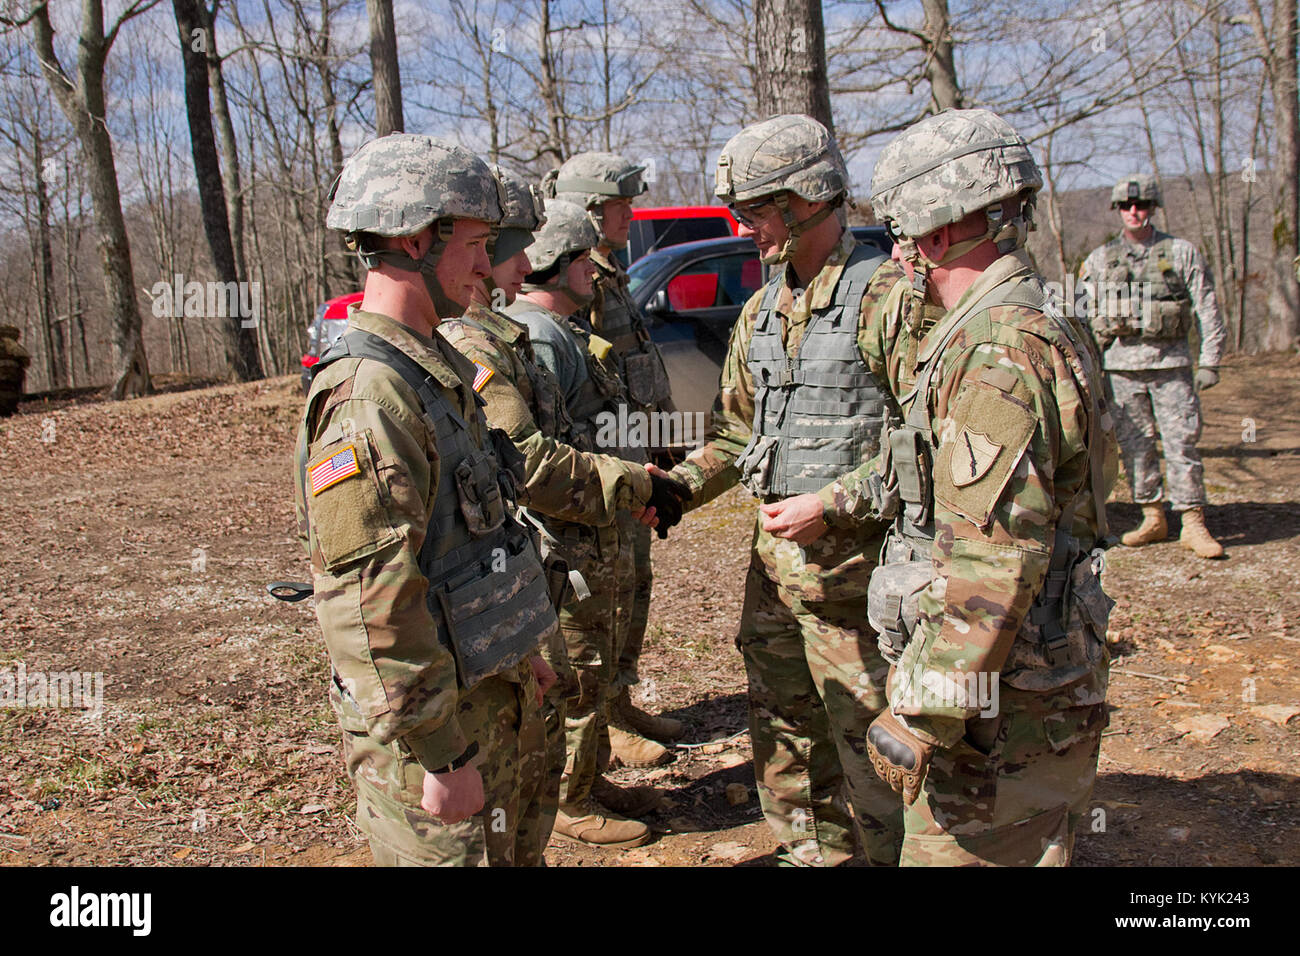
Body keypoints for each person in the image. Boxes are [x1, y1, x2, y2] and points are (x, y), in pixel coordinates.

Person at [802, 107, 1114, 866]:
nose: (898, 256)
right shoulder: (1035, 321)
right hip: (1029, 689)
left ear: (939, 234)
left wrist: (923, 715)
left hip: (1004, 712)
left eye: (902, 235)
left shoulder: (998, 353)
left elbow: (993, 564)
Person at [294, 133, 560, 866]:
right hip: (433, 741)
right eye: (477, 243)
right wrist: (441, 757)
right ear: (417, 239)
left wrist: (519, 649)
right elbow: (369, 603)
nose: (488, 263)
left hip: (482, 696)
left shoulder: (435, 364)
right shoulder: (368, 400)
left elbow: (475, 533)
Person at [663, 114, 903, 867]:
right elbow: (738, 433)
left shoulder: (886, 299)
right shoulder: (763, 310)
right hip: (774, 579)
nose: (748, 228)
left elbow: (925, 448)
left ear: (811, 198)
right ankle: (812, 853)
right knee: (785, 737)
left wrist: (832, 505)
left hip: (856, 588)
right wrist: (673, 488)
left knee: (874, 749)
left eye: (760, 210)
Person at [440, 169, 684, 852]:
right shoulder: (479, 341)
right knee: (570, 680)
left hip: (571, 535)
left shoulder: (508, 333)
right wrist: (634, 483)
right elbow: (529, 460)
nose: (513, 265)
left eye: (506, 247)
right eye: (505, 248)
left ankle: (584, 785)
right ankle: (570, 799)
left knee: (589, 668)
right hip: (545, 545)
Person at [549, 152, 683, 765]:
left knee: (637, 585)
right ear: (586, 211)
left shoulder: (611, 277)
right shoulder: (582, 285)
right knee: (611, 594)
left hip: (633, 454)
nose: (629, 214)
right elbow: (587, 391)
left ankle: (620, 699)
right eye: (616, 206)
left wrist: (659, 439)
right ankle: (602, 720)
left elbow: (631, 376)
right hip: (606, 468)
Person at [1078, 174, 1227, 558]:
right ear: (1117, 211)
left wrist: (1210, 359)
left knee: (1181, 443)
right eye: (1126, 206)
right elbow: (1085, 316)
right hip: (1121, 369)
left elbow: (1206, 306)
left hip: (1171, 365)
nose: (1133, 212)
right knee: (1135, 446)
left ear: (1154, 207)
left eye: (1141, 205)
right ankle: (1152, 515)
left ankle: (1192, 521)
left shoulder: (1181, 253)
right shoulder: (1100, 260)